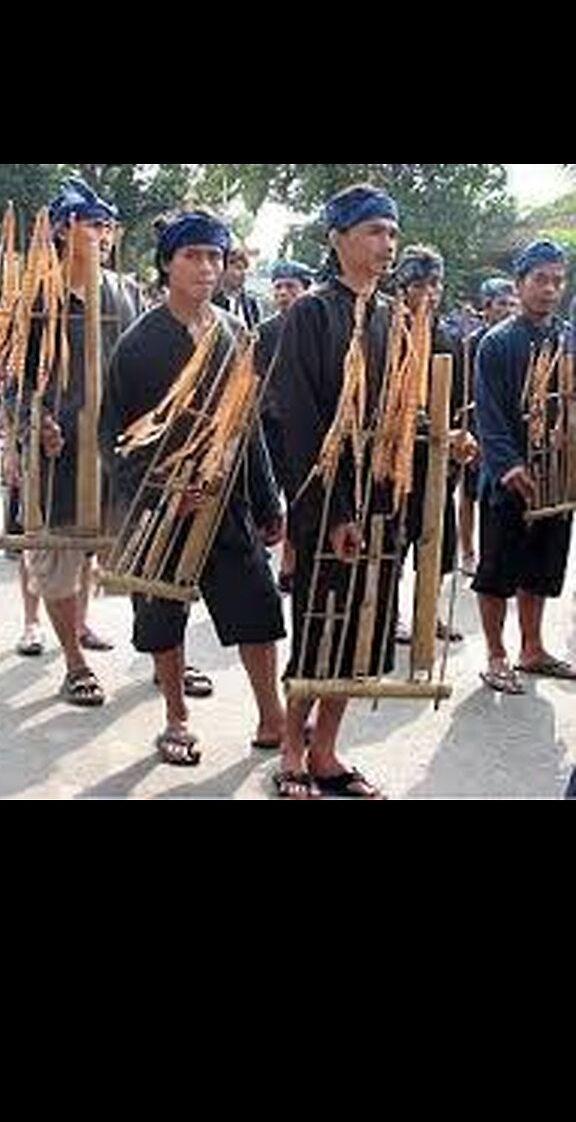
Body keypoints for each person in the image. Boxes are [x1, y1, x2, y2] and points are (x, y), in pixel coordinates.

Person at [100, 210, 286, 766]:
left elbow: (246, 423)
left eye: (215, 256)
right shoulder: (137, 345)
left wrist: (267, 495)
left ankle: (271, 714)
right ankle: (176, 715)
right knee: (161, 612)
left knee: (257, 602)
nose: (207, 267)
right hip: (164, 507)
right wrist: (162, 493)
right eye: (193, 256)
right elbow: (115, 438)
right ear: (167, 264)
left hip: (227, 498)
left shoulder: (234, 333)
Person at [275, 184, 400, 799]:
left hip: (383, 497)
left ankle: (327, 749)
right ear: (338, 240)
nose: (386, 244)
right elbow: (296, 418)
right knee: (320, 626)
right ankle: (292, 748)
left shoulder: (395, 316)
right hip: (326, 501)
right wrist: (331, 514)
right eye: (374, 230)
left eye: (391, 232)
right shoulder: (311, 313)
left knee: (364, 625)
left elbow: (405, 413)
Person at [18, 178, 137, 703]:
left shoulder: (124, 290)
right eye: (94, 224)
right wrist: (33, 423)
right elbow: (17, 377)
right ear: (66, 230)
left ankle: (87, 626)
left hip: (115, 445)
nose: (104, 234)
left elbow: (138, 368)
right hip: (58, 447)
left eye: (108, 225)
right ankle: (73, 660)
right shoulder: (37, 296)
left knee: (100, 547)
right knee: (59, 552)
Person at [474, 240, 576, 694]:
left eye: (558, 280)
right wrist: (508, 465)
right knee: (498, 570)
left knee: (542, 567)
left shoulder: (569, 338)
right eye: (541, 280)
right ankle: (496, 654)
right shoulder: (497, 343)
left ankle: (531, 648)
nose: (550, 289)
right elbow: (488, 414)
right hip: (509, 478)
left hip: (558, 476)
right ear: (520, 284)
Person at [392, 246, 474, 646]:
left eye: (434, 284)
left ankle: (429, 613)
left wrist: (458, 441)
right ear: (402, 287)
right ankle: (387, 617)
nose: (427, 292)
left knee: (439, 545)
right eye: (418, 284)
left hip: (438, 461)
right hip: (393, 461)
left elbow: (461, 401)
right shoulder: (384, 331)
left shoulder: (451, 338)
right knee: (392, 542)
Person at [256, 259, 313, 593]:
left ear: (304, 290)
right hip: (269, 427)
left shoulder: (313, 330)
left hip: (302, 431)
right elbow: (256, 379)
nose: (283, 293)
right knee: (264, 496)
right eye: (278, 287)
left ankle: (289, 565)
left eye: (290, 286)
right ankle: (258, 561)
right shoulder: (264, 331)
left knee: (297, 500)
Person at [458, 276, 518, 576]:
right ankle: (467, 550)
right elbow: (462, 389)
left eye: (511, 303)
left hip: (504, 429)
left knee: (495, 495)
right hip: (476, 428)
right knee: (469, 493)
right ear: (487, 308)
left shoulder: (515, 341)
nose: (508, 309)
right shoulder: (472, 343)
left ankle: (496, 554)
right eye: (501, 304)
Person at [213, 244, 262, 329]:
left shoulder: (251, 303)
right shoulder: (211, 301)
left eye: (244, 269)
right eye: (238, 268)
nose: (242, 273)